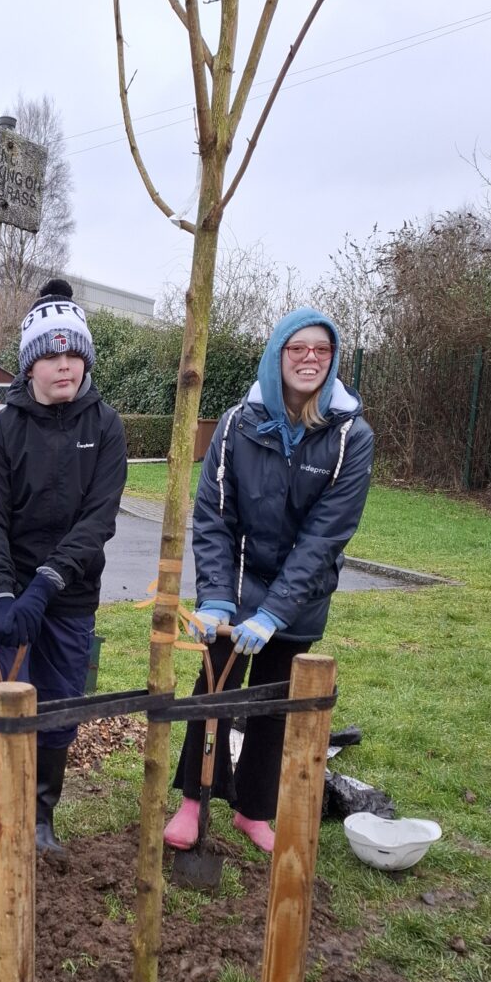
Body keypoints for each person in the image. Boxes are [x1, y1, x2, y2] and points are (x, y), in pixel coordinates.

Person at [164, 306, 375, 854]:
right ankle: (193, 799)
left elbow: (325, 537)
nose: (309, 359)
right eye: (298, 348)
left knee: (276, 702)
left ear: (332, 362)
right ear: (277, 354)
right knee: (213, 690)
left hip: (299, 595)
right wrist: (215, 597)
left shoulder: (351, 436)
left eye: (321, 351)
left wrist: (276, 612)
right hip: (233, 585)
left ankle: (255, 811)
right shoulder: (238, 424)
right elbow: (214, 514)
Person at [0, 279, 127, 867]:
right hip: (9, 590)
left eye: (74, 353)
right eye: (51, 354)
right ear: (29, 364)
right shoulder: (6, 429)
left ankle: (42, 817)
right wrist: (1, 593)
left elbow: (97, 521)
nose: (64, 366)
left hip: (69, 596)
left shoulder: (105, 427)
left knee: (59, 700)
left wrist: (46, 586)